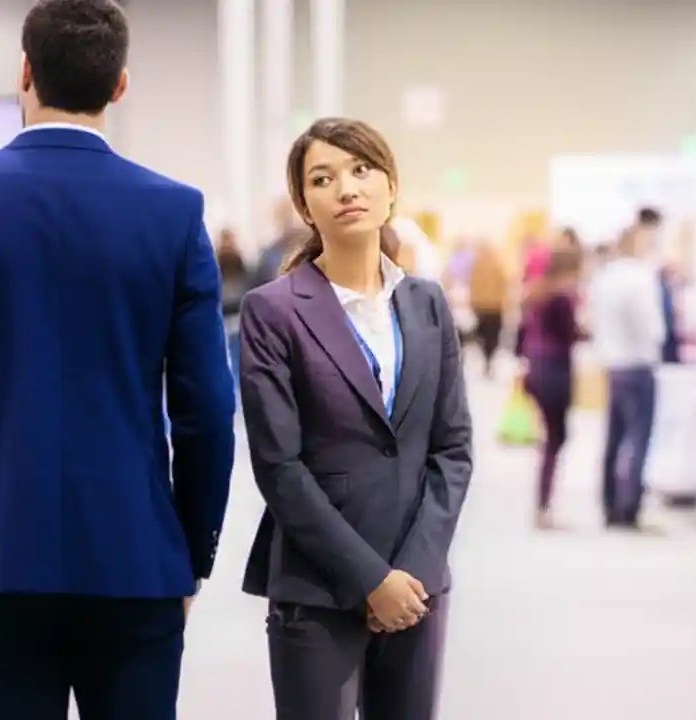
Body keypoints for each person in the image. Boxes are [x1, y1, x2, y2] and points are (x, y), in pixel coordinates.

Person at [0, 2, 235, 717]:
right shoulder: (173, 213)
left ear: (24, 71)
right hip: (137, 557)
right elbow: (206, 413)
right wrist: (189, 553)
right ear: (121, 85)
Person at [238, 117, 473, 720]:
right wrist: (372, 580)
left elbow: (452, 448)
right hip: (318, 586)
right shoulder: (274, 310)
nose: (346, 188)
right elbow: (279, 466)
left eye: (361, 170)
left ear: (391, 187)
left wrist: (412, 574)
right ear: (304, 205)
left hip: (418, 584)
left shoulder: (426, 303)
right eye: (324, 177)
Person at [589, 227, 663, 531]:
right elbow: (651, 324)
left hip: (613, 364)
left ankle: (609, 502)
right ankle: (628, 506)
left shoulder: (605, 277)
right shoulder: (641, 277)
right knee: (637, 438)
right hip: (638, 363)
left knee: (614, 438)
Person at [523, 250, 583, 530]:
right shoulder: (562, 299)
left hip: (537, 370)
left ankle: (543, 504)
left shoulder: (537, 296)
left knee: (551, 438)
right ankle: (544, 505)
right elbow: (570, 334)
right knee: (556, 439)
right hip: (556, 372)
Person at [468, 239, 510, 378]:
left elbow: (473, 284)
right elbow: (504, 284)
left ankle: (487, 360)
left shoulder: (477, 265)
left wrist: (472, 302)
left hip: (482, 306)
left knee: (484, 335)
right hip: (494, 307)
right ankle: (488, 360)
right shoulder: (498, 265)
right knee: (493, 336)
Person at [217, 227, 252, 388]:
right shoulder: (230, 259)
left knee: (234, 352)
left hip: (233, 311)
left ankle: (236, 383)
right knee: (233, 351)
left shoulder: (230, 260)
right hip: (230, 310)